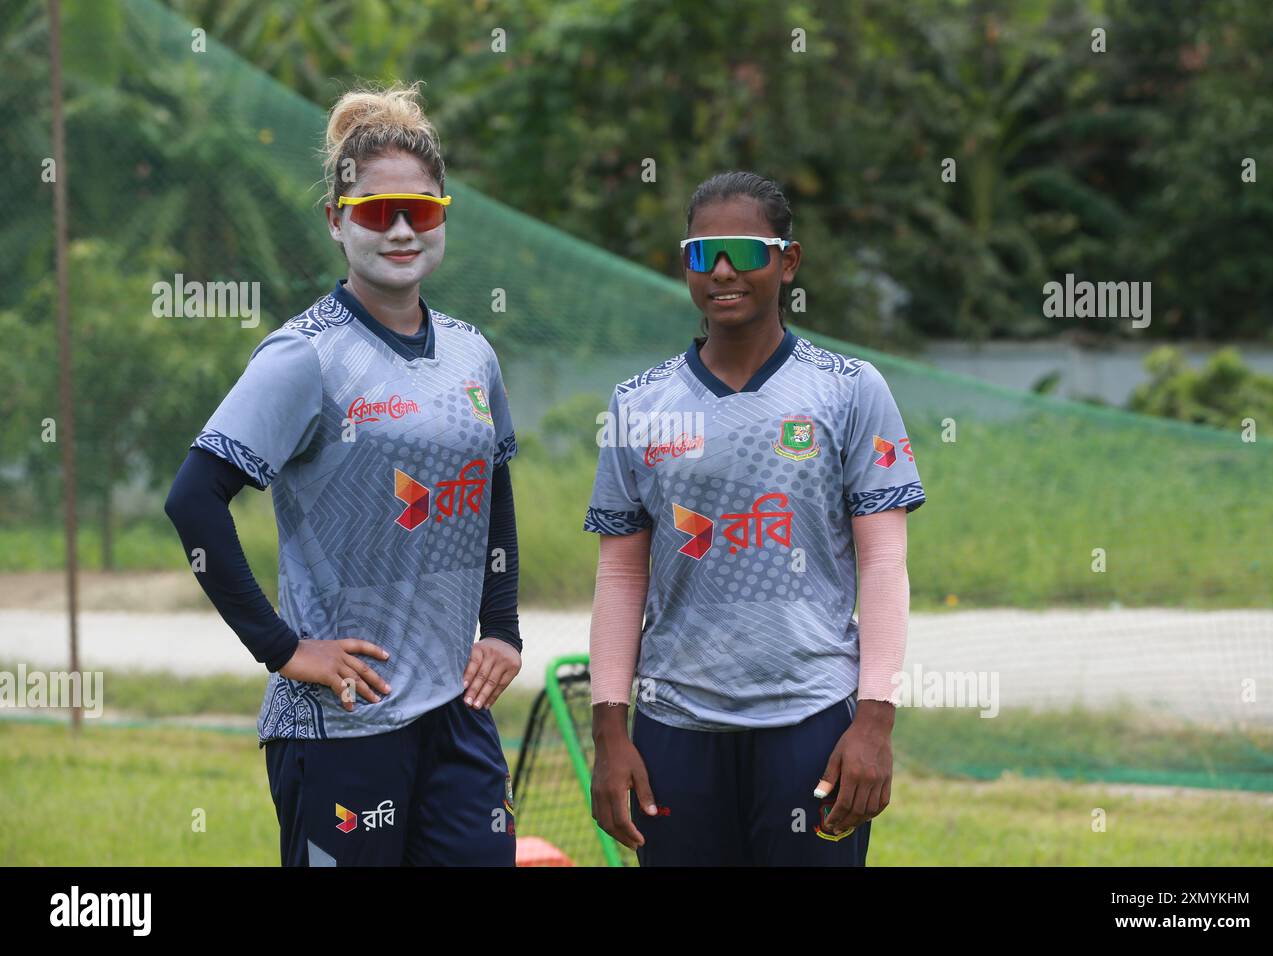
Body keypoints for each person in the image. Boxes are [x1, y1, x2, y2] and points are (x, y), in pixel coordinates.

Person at [164, 82, 521, 866]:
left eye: (420, 210)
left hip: (456, 716)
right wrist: (287, 650)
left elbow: (493, 484)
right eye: (374, 209)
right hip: (340, 724)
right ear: (336, 220)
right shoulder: (305, 356)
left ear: (442, 217)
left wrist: (501, 627)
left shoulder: (472, 353)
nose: (399, 228)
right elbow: (193, 499)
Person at [585, 171, 925, 866]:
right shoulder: (637, 405)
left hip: (812, 724)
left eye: (746, 250)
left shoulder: (850, 390)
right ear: (686, 265)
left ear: (788, 261)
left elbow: (886, 565)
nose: (726, 271)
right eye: (704, 255)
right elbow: (621, 574)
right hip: (674, 728)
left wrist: (875, 720)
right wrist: (610, 733)